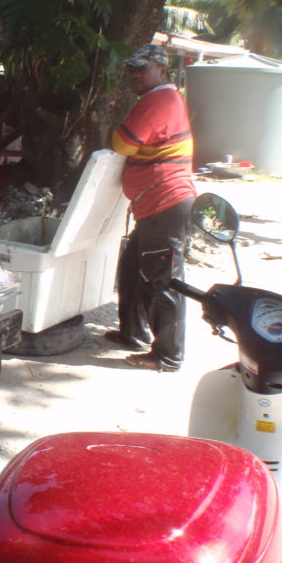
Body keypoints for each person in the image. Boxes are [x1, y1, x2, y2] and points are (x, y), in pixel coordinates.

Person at [105, 44, 196, 371]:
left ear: (162, 70)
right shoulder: (161, 100)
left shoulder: (159, 100)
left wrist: (119, 131)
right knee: (132, 269)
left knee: (163, 280)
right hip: (155, 205)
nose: (134, 75)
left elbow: (121, 143)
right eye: (132, 69)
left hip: (165, 203)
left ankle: (168, 355)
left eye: (142, 69)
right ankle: (133, 333)